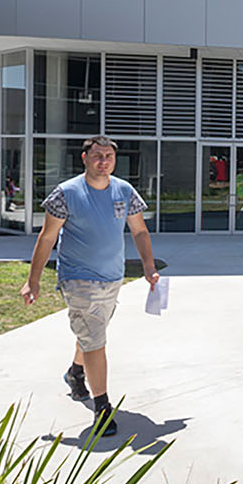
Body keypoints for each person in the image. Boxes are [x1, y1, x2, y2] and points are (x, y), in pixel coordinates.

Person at [20, 135, 160, 436]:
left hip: (112, 277)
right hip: (78, 278)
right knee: (95, 338)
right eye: (97, 155)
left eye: (109, 155)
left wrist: (148, 265)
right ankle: (102, 407)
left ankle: (75, 373)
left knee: (93, 333)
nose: (103, 160)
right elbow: (46, 237)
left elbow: (139, 230)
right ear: (84, 158)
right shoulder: (66, 193)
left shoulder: (125, 191)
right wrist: (33, 280)